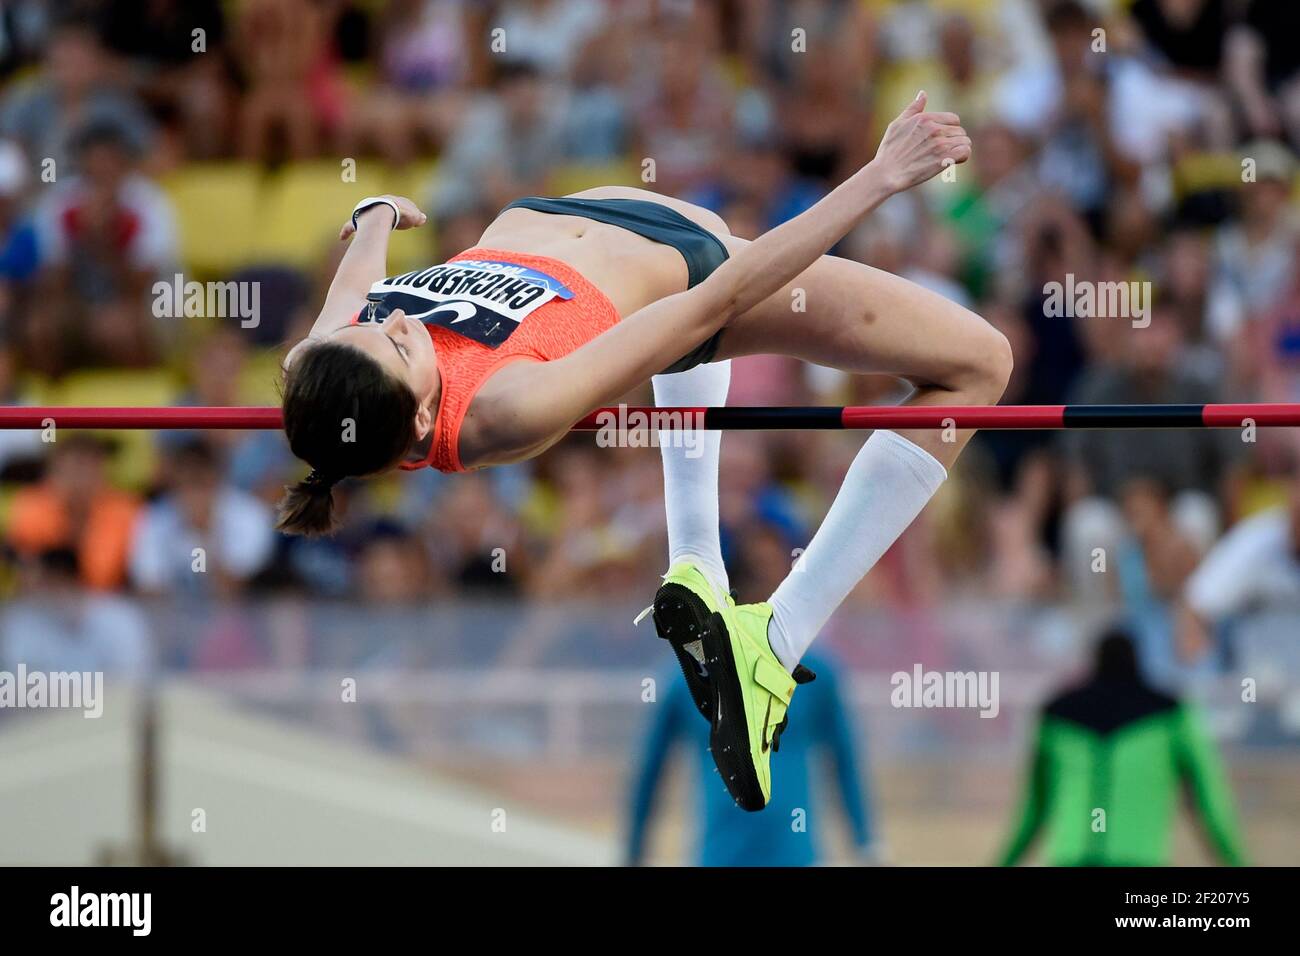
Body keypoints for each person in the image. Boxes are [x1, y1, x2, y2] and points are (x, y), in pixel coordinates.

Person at [279, 92, 1012, 809]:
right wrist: (877, 178)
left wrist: (373, 216)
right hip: (694, 265)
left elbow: (353, 294)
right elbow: (709, 306)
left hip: (565, 214)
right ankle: (776, 639)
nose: (400, 317)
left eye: (378, 325)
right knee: (980, 364)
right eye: (400, 342)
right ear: (420, 421)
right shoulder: (505, 406)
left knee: (674, 343)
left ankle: (697, 566)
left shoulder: (330, 371)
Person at [999, 629, 1246, 867]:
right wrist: (1236, 861)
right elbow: (1208, 800)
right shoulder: (1172, 715)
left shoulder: (1056, 714)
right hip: (1138, 859)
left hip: (1072, 857)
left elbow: (1033, 809)